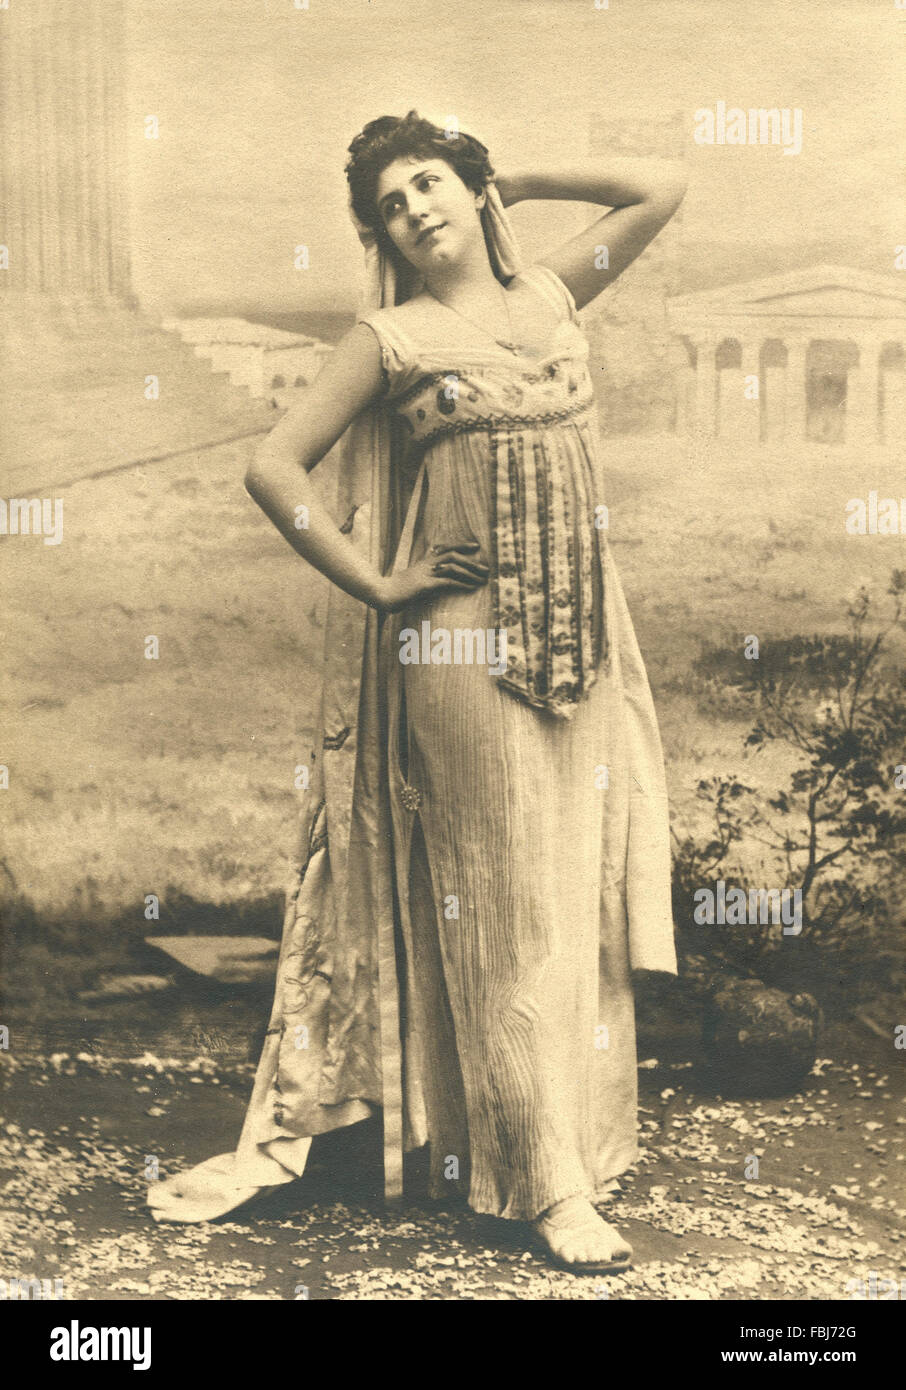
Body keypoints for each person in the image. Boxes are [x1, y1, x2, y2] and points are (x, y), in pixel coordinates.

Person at [148, 110, 686, 1275]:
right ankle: (546, 1189)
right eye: (391, 206)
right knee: (502, 911)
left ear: (470, 188)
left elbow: (660, 186)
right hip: (459, 653)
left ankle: (565, 1144)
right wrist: (383, 584)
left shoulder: (554, 292)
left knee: (569, 904)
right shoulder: (389, 338)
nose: (414, 212)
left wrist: (514, 175)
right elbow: (271, 465)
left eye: (430, 183)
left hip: (583, 643)